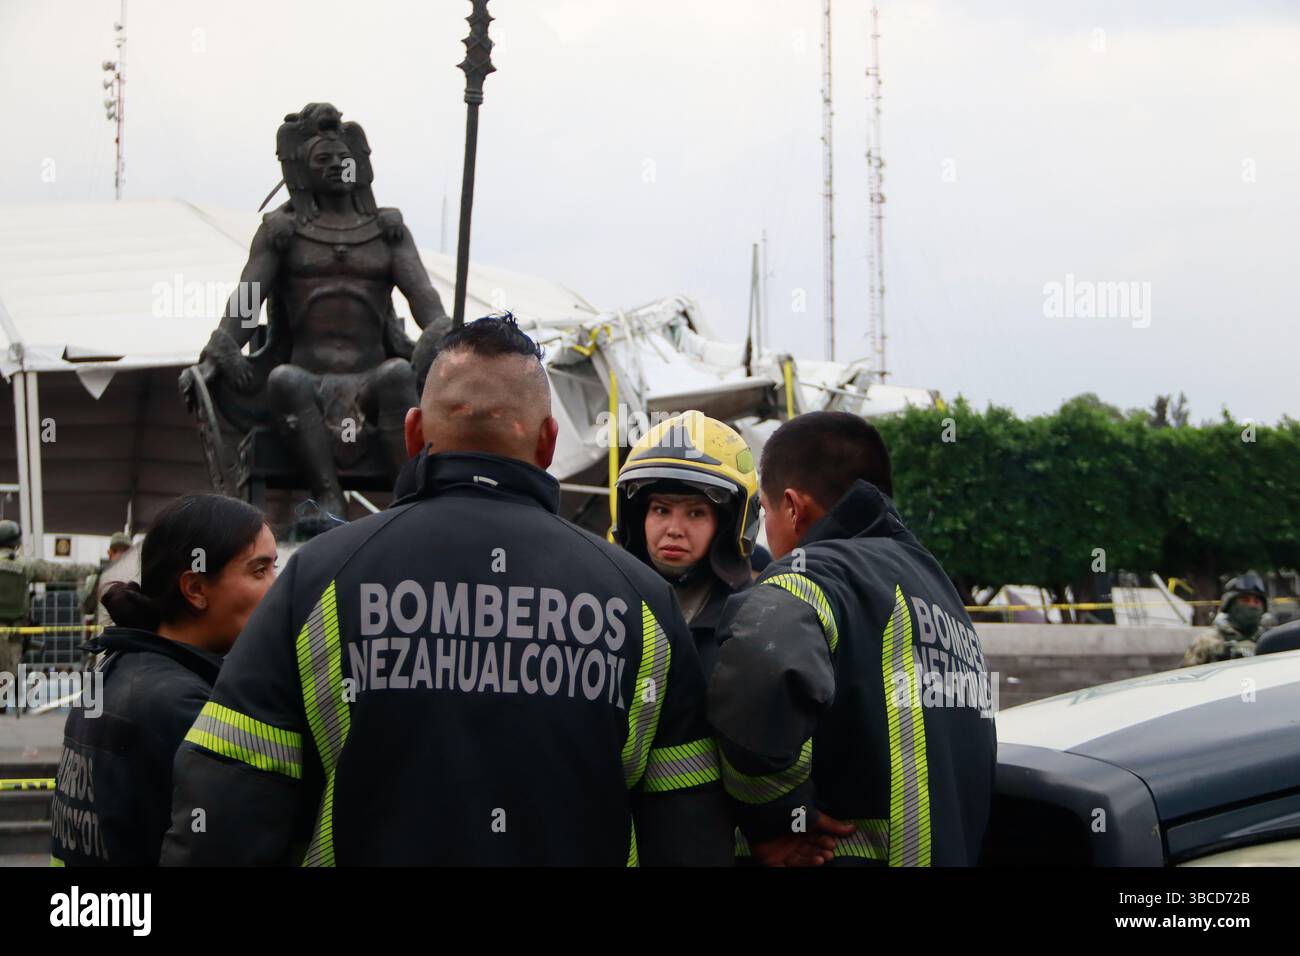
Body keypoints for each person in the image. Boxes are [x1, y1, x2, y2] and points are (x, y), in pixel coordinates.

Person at [162, 314, 731, 866]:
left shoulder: (319, 578)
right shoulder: (640, 598)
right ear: (549, 441)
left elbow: (228, 800)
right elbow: (686, 820)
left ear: (412, 433)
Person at [708, 411, 997, 866]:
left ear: (792, 506)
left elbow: (760, 674)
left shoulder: (814, 576)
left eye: (764, 512)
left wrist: (779, 816)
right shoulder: (939, 593)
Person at [50, 495, 276, 866]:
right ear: (195, 589)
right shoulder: (185, 707)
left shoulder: (114, 670)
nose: (276, 587)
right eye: (259, 570)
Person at [613, 410, 759, 679]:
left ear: (728, 526)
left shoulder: (753, 622)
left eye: (695, 513)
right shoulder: (605, 603)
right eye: (661, 510)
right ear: (637, 517)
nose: (674, 530)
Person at [0, 520, 97, 712]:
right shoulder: (25, 565)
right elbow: (60, 572)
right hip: (14, 637)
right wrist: (94, 569)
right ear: (16, 543)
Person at [1182, 572, 1276, 666]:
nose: (1251, 605)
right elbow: (1189, 675)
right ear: (1230, 605)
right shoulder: (1208, 641)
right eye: (1245, 600)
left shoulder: (1269, 641)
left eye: (1256, 602)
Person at [81, 531, 133, 627]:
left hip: (103, 635)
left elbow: (86, 608)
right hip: (129, 635)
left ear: (109, 553)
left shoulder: (99, 576)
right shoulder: (137, 577)